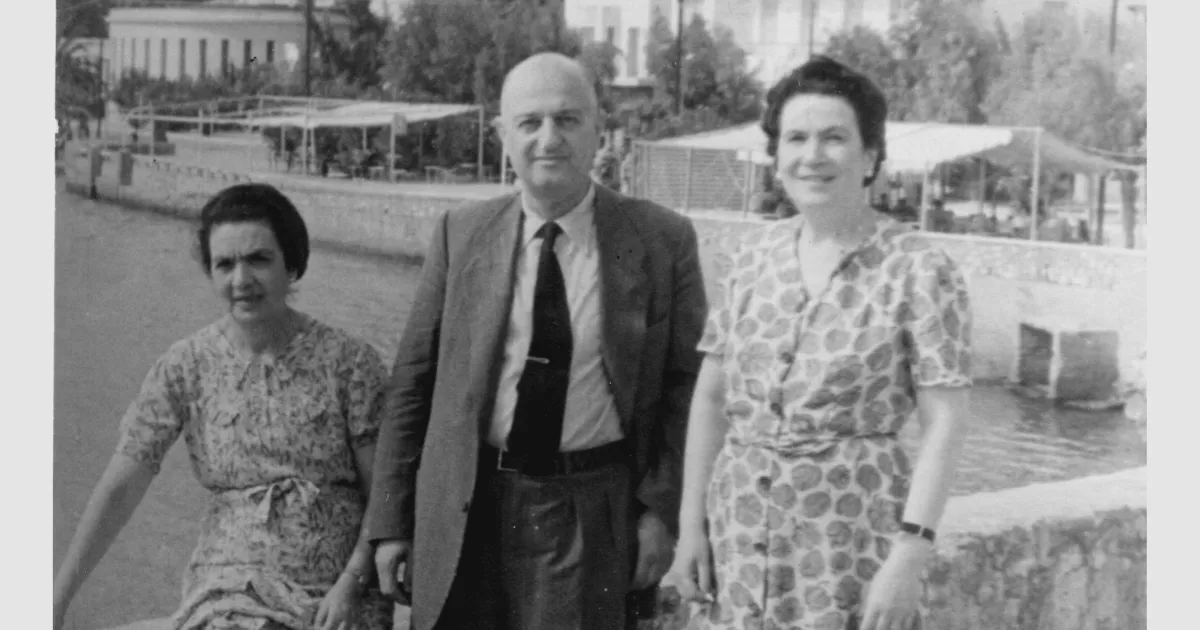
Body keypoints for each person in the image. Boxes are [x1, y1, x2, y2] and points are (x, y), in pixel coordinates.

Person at [365, 52, 708, 630]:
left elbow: (687, 392)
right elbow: (412, 386)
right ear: (503, 135)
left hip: (588, 512)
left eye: (568, 120)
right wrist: (391, 522)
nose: (549, 139)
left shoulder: (660, 240)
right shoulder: (460, 234)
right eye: (530, 122)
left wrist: (660, 512)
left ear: (599, 130)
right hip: (468, 507)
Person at [661, 56, 973, 630]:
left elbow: (946, 422)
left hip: (848, 550)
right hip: (738, 541)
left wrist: (911, 551)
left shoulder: (919, 269)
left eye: (834, 137)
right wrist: (690, 529)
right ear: (776, 157)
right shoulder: (752, 258)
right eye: (796, 138)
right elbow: (711, 399)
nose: (813, 155)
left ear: (870, 156)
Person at [53, 183, 394, 630]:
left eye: (258, 259)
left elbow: (386, 494)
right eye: (225, 264)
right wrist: (57, 600)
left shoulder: (350, 363)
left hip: (331, 596)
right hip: (223, 590)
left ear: (291, 263)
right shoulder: (185, 366)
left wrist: (351, 584)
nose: (241, 280)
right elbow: (121, 488)